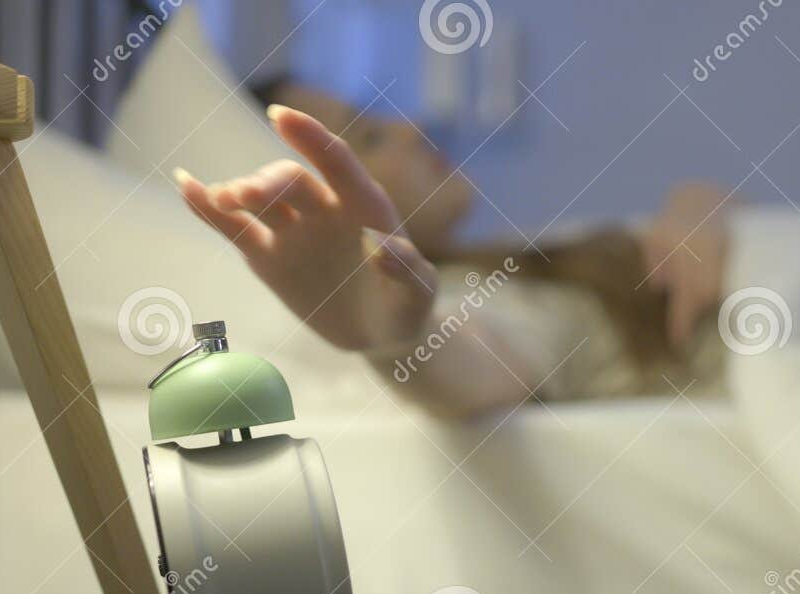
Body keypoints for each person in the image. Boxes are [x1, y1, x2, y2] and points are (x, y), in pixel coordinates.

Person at [173, 80, 731, 418]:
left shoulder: (503, 258)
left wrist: (696, 204)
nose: (413, 126)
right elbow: (474, 362)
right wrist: (392, 337)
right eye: (368, 136)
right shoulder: (467, 297)